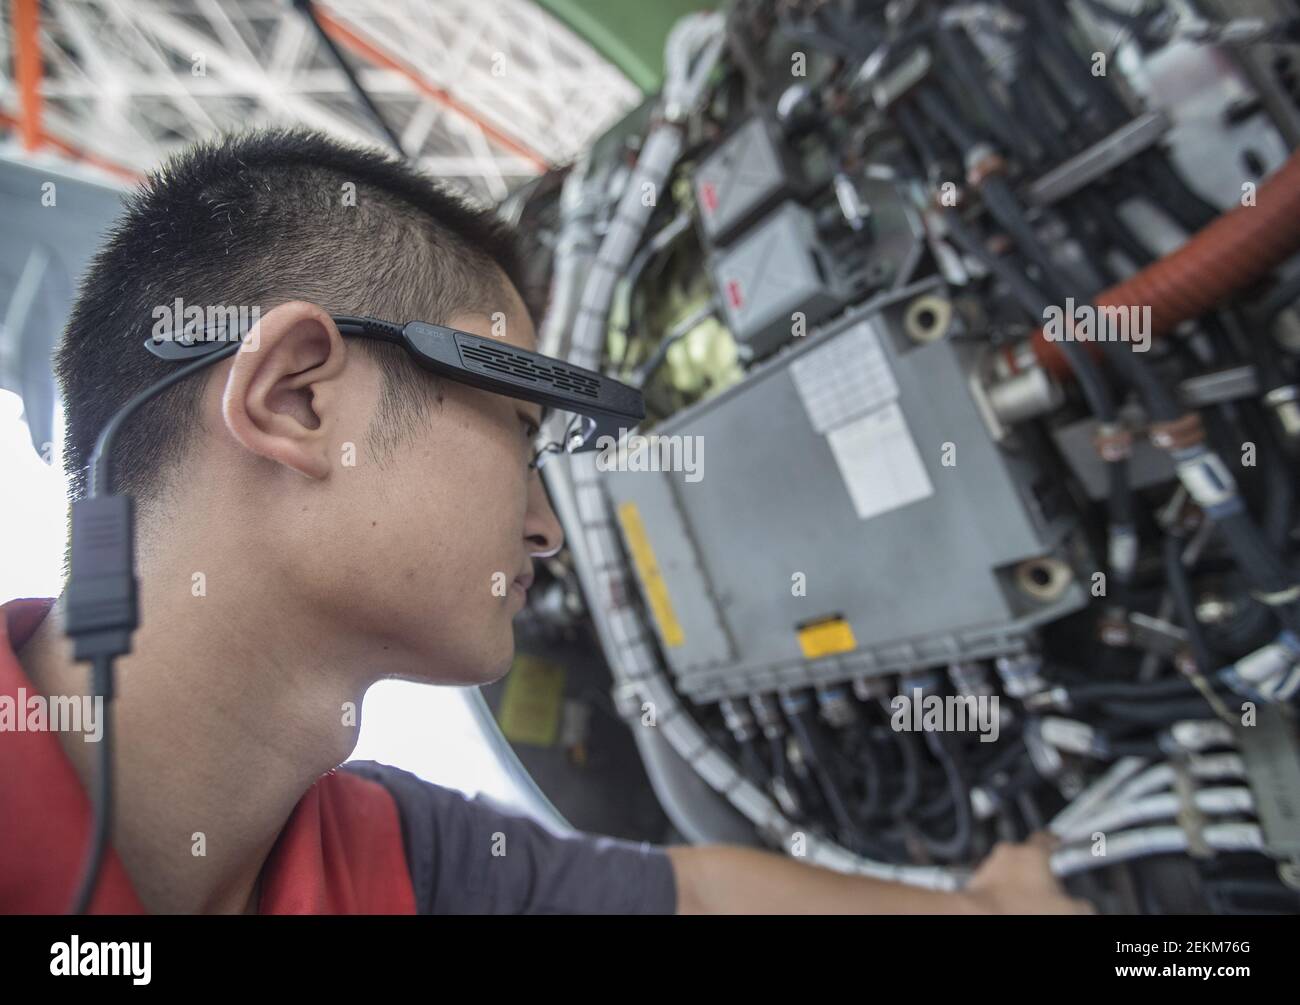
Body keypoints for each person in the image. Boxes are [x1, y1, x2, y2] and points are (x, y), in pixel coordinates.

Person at [1, 128, 1092, 915]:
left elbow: (695, 899)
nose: (546, 529)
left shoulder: (403, 855)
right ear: (298, 399)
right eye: (523, 436)